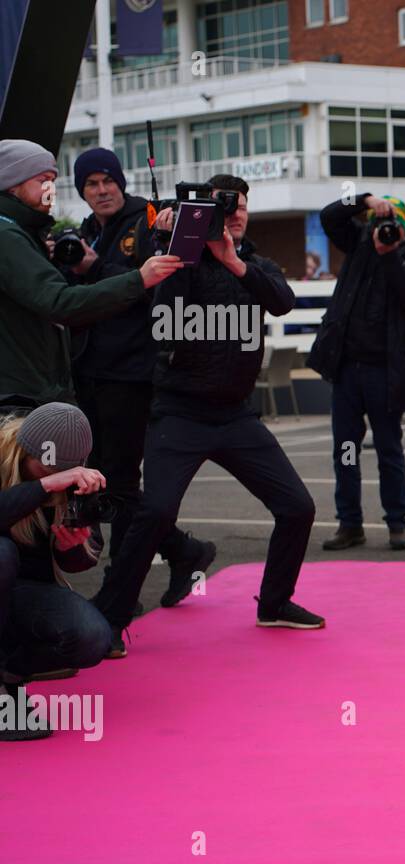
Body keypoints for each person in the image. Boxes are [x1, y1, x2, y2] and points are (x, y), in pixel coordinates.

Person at [94, 174, 323, 651]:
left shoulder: (256, 265)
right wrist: (173, 242)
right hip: (179, 413)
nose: (234, 213)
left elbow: (282, 302)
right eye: (225, 206)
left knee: (297, 507)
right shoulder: (183, 262)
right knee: (154, 511)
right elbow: (167, 323)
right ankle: (109, 621)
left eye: (240, 205)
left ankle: (275, 604)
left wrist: (235, 263)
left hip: (236, 415)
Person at [64, 148, 217, 625]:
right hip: (93, 373)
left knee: (124, 483)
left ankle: (121, 592)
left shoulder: (147, 221)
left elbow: (156, 283)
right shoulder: (88, 231)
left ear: (122, 182)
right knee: (111, 481)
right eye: (90, 184)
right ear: (81, 192)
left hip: (134, 375)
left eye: (107, 181)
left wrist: (93, 269)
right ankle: (183, 550)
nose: (101, 190)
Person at [0, 139, 182, 408]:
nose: (51, 191)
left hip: (128, 375)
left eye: (108, 181)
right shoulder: (10, 235)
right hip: (31, 391)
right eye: (43, 181)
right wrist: (137, 278)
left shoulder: (146, 220)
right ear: (12, 185)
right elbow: (59, 301)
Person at [309, 195, 405, 552]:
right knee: (346, 449)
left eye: (391, 223)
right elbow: (329, 215)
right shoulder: (359, 240)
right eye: (378, 221)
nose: (382, 230)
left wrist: (391, 255)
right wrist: (363, 199)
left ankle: (397, 523)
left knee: (388, 448)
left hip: (386, 367)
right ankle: (349, 524)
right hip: (347, 366)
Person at [1, 404, 113, 740]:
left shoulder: (76, 479)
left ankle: (9, 678)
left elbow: (83, 561)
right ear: (24, 450)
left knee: (92, 637)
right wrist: (45, 486)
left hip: (24, 593)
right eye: (44, 468)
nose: (55, 477)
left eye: (66, 470)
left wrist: (71, 549)